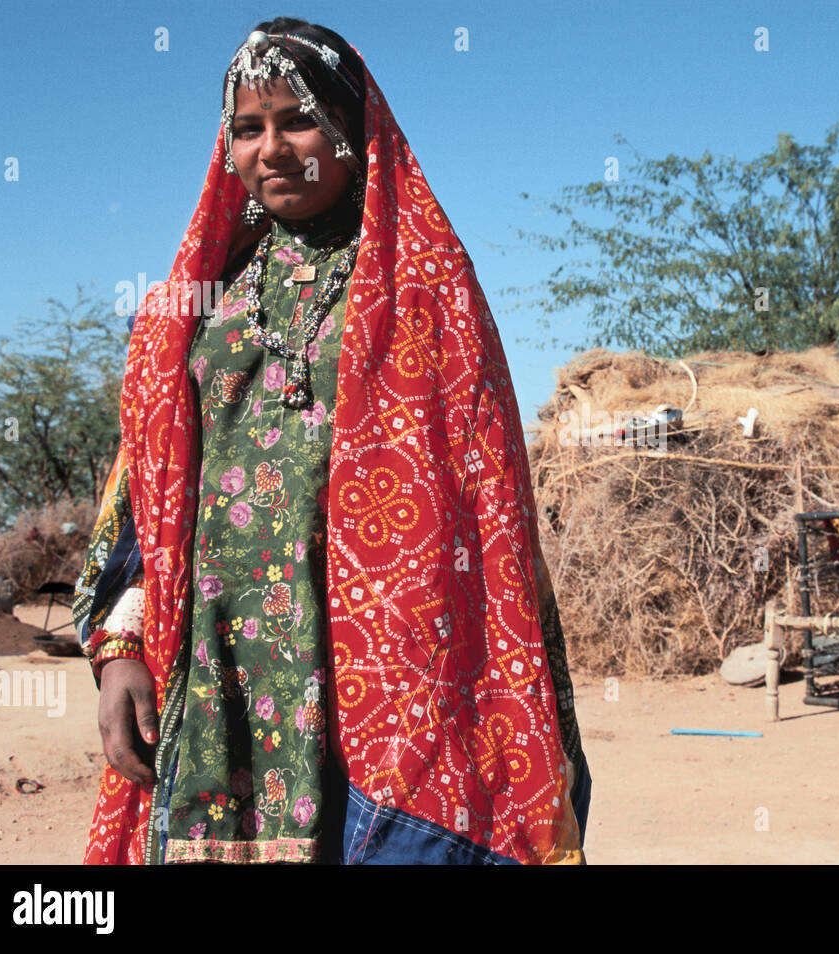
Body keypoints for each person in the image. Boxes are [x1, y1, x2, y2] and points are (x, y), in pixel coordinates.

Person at [73, 18, 591, 865]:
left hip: (387, 673)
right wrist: (121, 647)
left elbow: (484, 505)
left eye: (297, 120)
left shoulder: (425, 292)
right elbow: (145, 495)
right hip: (216, 663)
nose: (271, 148)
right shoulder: (191, 308)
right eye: (247, 127)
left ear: (353, 132)